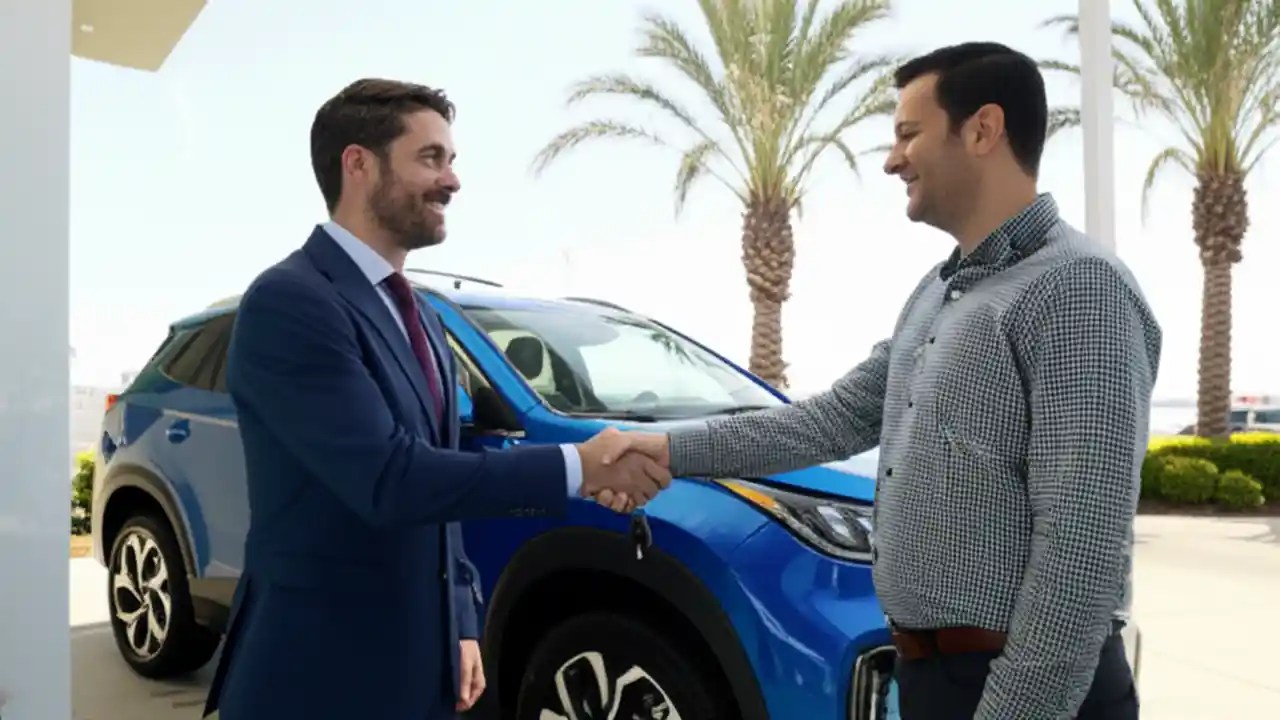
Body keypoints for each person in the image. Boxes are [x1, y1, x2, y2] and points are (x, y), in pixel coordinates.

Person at [598, 43, 1159, 720]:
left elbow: (1083, 546)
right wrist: (666, 450)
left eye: (908, 134)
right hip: (932, 681)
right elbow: (827, 420)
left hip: (1021, 689)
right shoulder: (939, 291)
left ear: (982, 129)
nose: (893, 160)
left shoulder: (1079, 288)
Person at [202, 78, 670, 720]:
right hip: (319, 673)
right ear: (358, 164)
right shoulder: (292, 302)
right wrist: (582, 466)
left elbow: (440, 484)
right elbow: (392, 478)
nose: (452, 181)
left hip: (420, 664)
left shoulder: (419, 311)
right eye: (431, 158)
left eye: (451, 161)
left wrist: (461, 619)